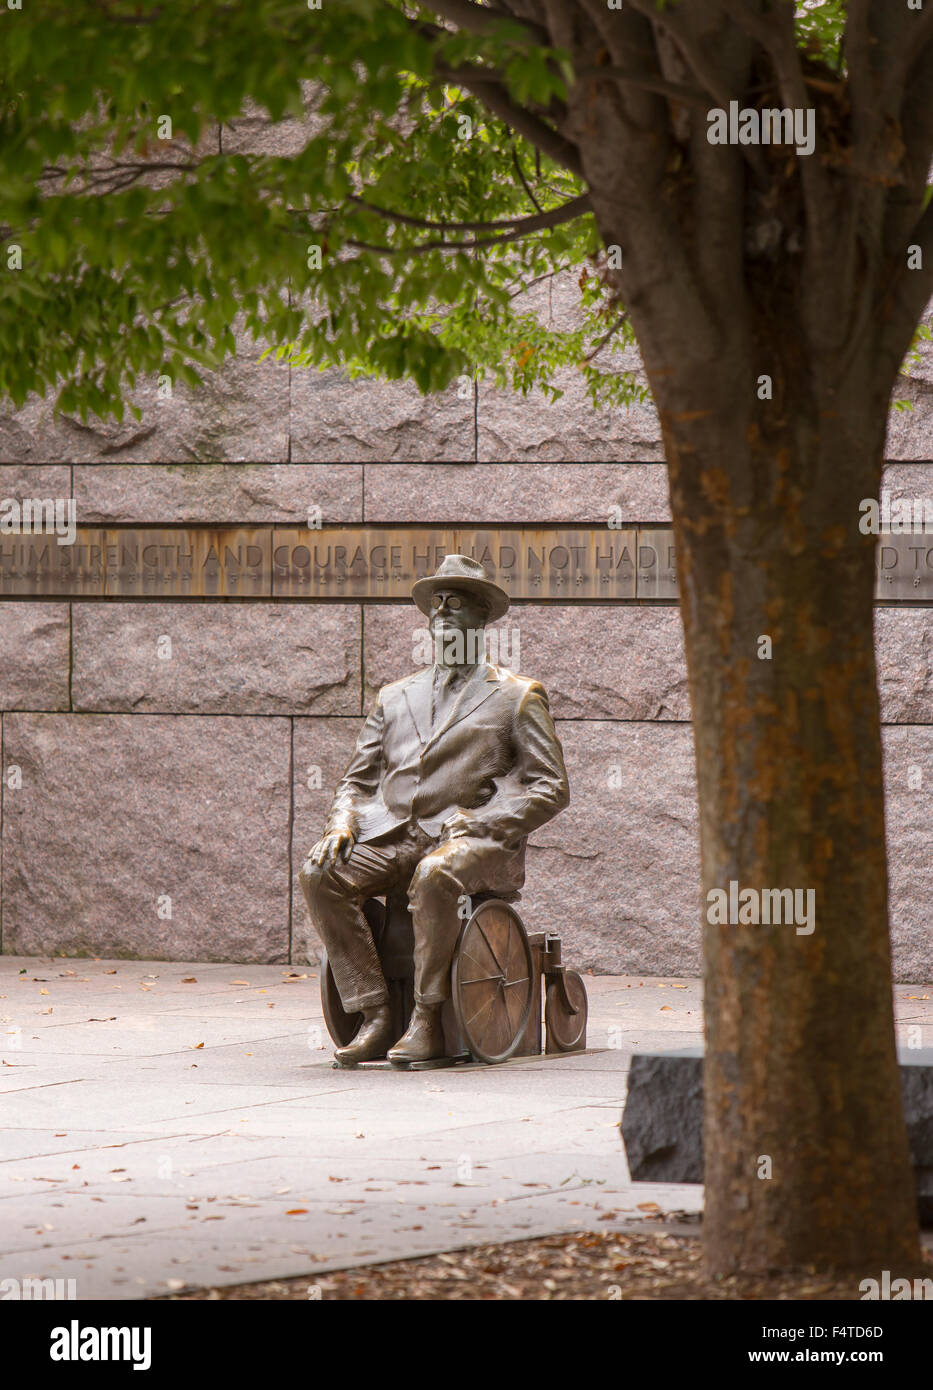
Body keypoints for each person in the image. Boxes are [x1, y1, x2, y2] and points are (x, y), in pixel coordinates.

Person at [299, 554, 569, 1065]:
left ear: (483, 617)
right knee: (320, 873)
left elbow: (552, 787)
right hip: (391, 832)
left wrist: (484, 821)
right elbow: (356, 781)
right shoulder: (395, 696)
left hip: (473, 839)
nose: (443, 612)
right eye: (436, 605)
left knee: (435, 874)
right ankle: (375, 1014)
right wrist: (340, 823)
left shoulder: (516, 696)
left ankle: (426, 1018)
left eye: (457, 603)